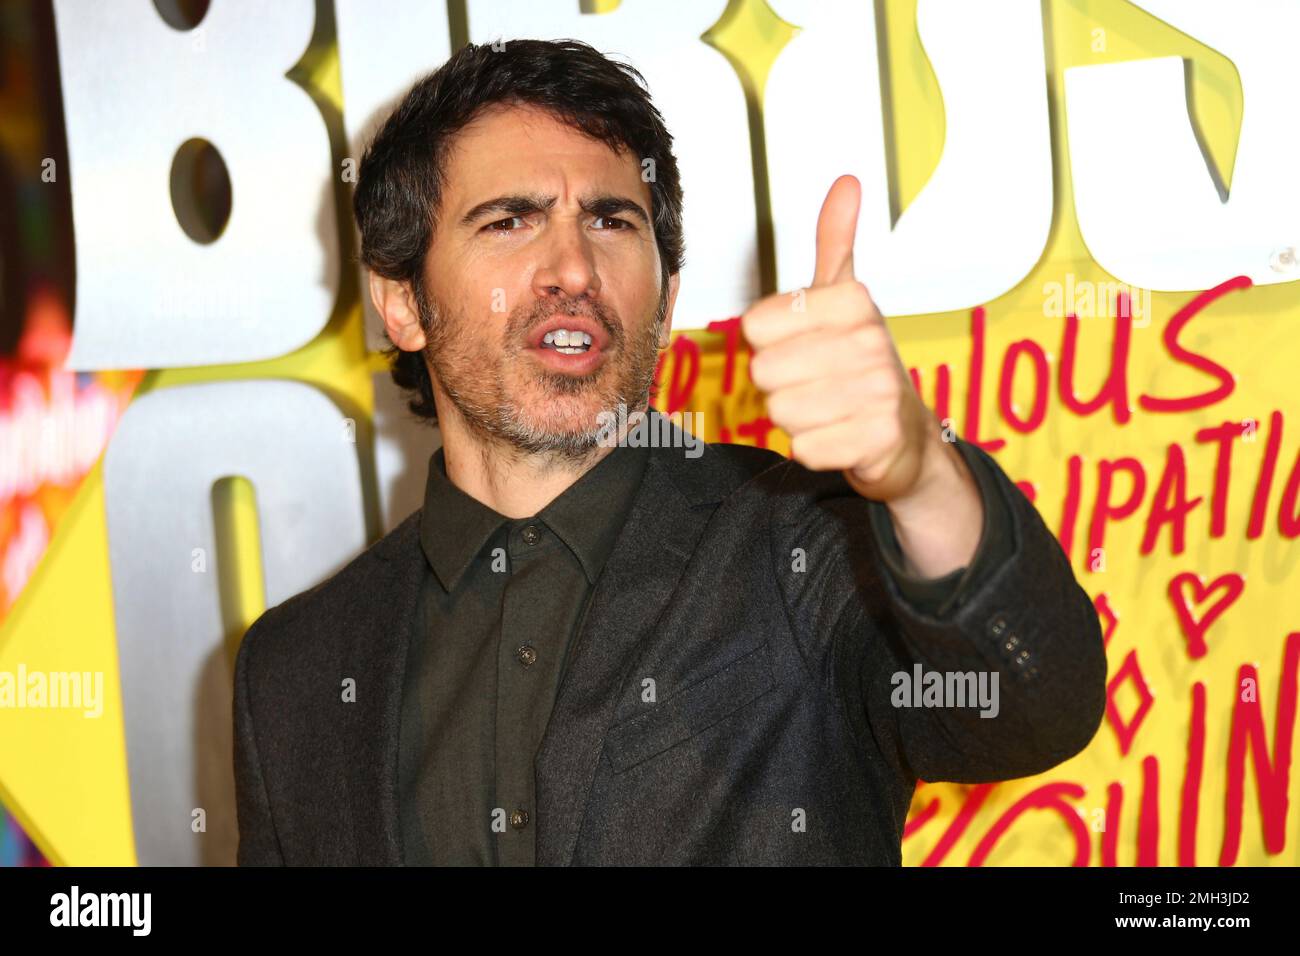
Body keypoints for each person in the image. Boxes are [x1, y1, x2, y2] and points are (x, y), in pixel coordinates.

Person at [233, 38, 1106, 866]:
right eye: (509, 222)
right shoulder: (297, 672)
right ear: (402, 302)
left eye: (612, 221)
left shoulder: (803, 547)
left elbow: (1031, 702)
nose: (571, 268)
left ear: (667, 297)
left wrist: (921, 476)